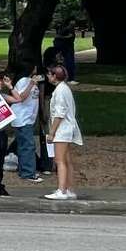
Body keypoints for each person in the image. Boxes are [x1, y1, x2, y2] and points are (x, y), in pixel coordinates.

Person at [45, 60, 83, 200]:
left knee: (59, 160)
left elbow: (59, 114)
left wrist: (52, 132)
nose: (48, 77)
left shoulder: (60, 91)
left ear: (54, 76)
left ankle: (61, 190)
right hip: (67, 129)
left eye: (50, 74)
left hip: (62, 130)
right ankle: (69, 189)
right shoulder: (64, 88)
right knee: (66, 160)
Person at [8, 67, 41, 181]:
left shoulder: (30, 80)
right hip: (22, 118)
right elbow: (21, 97)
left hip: (28, 118)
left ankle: (24, 170)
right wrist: (31, 84)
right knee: (28, 146)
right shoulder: (23, 81)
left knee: (23, 145)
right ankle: (28, 173)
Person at [52, 17, 78, 81]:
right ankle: (69, 78)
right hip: (66, 47)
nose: (74, 23)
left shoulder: (70, 28)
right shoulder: (66, 28)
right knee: (68, 62)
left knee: (70, 63)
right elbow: (58, 36)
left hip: (69, 47)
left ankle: (69, 78)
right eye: (72, 21)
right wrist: (66, 37)